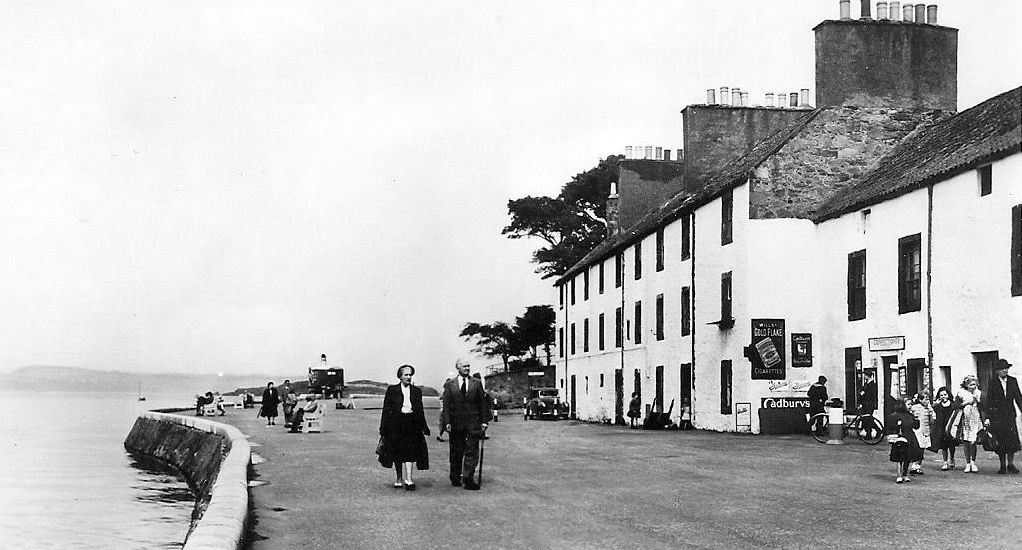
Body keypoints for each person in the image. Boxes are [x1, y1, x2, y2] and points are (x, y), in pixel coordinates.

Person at [440, 358, 491, 490]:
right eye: (464, 366)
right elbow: (446, 405)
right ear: (457, 368)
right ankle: (455, 476)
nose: (467, 368)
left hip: (473, 423)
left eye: (468, 366)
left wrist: (484, 421)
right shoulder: (450, 384)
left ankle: (468, 479)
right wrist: (446, 422)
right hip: (456, 423)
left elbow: (482, 403)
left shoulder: (476, 383)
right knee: (456, 452)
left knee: (472, 451)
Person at [379, 365, 430, 490]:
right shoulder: (392, 390)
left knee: (410, 451)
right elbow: (386, 410)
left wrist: (424, 426)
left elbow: (420, 410)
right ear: (400, 376)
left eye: (410, 374)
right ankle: (399, 478)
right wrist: (383, 427)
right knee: (397, 452)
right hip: (396, 424)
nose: (408, 377)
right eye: (406, 374)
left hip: (411, 423)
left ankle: (409, 479)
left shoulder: (416, 391)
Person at [982, 359, 1022, 475]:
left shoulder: (1013, 381)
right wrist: (988, 417)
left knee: (1011, 440)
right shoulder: (993, 383)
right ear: (997, 371)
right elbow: (989, 400)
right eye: (1002, 369)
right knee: (1001, 440)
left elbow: (1018, 397)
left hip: (1010, 414)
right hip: (997, 416)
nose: (1005, 371)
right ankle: (1003, 465)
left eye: (1006, 368)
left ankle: (1010, 464)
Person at [886, 396, 923, 484]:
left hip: (909, 437)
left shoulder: (910, 415)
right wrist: (897, 425)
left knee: (908, 457)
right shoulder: (895, 415)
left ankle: (905, 475)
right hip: (900, 437)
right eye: (908, 404)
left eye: (911, 404)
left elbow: (916, 426)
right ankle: (899, 475)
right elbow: (890, 426)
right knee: (899, 457)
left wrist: (916, 419)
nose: (910, 406)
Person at [955, 375, 982, 472]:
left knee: (973, 441)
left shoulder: (978, 393)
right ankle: (967, 463)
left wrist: (977, 400)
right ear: (966, 385)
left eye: (975, 384)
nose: (973, 387)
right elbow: (956, 405)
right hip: (965, 418)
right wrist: (966, 403)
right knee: (966, 441)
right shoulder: (961, 393)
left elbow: (982, 405)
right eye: (971, 385)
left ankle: (973, 462)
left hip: (975, 418)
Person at [931, 386, 958, 470]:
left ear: (948, 395)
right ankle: (945, 461)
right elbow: (932, 409)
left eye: (945, 394)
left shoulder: (952, 404)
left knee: (951, 445)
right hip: (941, 427)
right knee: (944, 446)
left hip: (950, 427)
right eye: (941, 395)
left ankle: (952, 459)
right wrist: (935, 404)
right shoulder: (938, 405)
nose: (943, 397)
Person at [908, 392, 934, 475]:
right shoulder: (915, 407)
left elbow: (932, 421)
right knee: (916, 448)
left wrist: (931, 411)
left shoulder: (929, 409)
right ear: (920, 400)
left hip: (925, 431)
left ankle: (918, 466)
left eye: (928, 399)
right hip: (917, 430)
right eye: (925, 399)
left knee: (922, 449)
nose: (927, 401)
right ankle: (914, 465)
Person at [858, 371, 879, 440]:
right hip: (865, 404)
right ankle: (878, 430)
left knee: (867, 419)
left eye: (865, 375)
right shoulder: (866, 384)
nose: (864, 377)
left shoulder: (872, 385)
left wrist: (863, 394)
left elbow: (870, 395)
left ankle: (869, 434)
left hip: (869, 404)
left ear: (868, 376)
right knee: (868, 419)